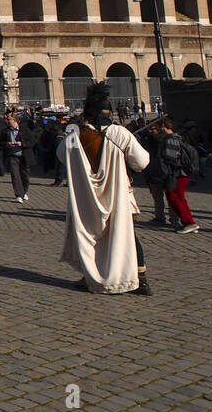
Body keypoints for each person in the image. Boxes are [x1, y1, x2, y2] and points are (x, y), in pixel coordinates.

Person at [58, 83, 152, 295]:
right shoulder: (119, 133)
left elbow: (61, 156)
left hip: (86, 199)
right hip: (116, 194)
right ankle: (141, 279)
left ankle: (90, 275)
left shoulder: (75, 137)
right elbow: (142, 161)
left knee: (90, 237)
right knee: (126, 235)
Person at [157, 118, 200, 232]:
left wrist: (165, 172)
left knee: (174, 197)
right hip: (179, 173)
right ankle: (189, 222)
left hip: (177, 174)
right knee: (179, 198)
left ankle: (189, 222)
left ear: (163, 126)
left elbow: (171, 158)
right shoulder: (177, 138)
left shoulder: (171, 139)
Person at [0, 113, 32, 202]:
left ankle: (24, 192)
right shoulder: (5, 131)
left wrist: (23, 144)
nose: (7, 121)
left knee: (25, 176)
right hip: (12, 156)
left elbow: (32, 141)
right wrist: (7, 144)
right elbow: (1, 143)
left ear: (14, 121)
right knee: (15, 176)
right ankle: (18, 195)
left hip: (24, 156)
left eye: (9, 119)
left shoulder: (24, 130)